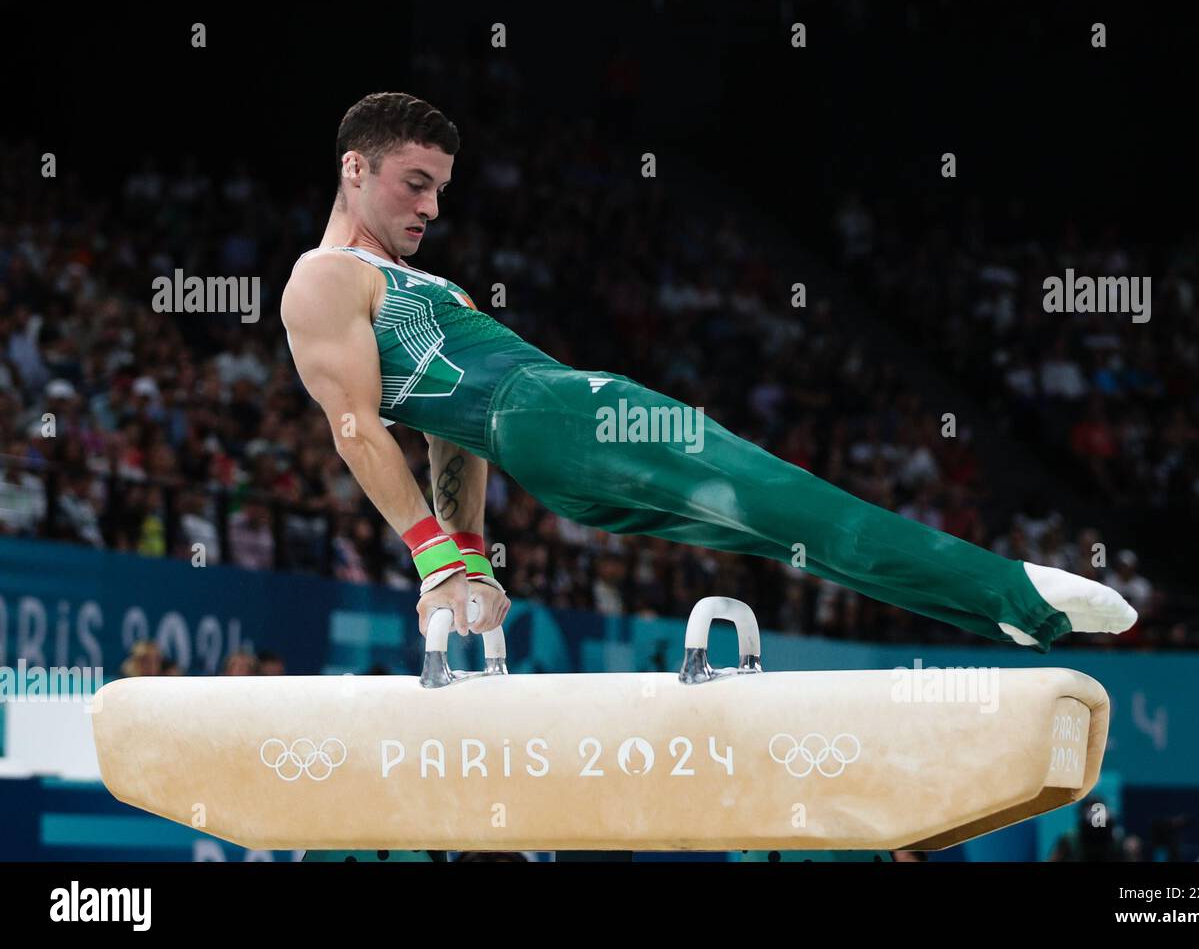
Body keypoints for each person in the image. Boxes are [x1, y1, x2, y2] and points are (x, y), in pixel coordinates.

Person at [280, 92, 1137, 650]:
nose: (431, 207)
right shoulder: (325, 278)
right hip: (558, 415)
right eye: (414, 183)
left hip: (548, 453)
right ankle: (1012, 592)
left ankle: (984, 607)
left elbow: (443, 433)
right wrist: (432, 564)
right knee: (782, 493)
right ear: (355, 168)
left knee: (777, 524)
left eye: (440, 189)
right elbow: (356, 425)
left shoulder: (432, 283)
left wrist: (472, 554)